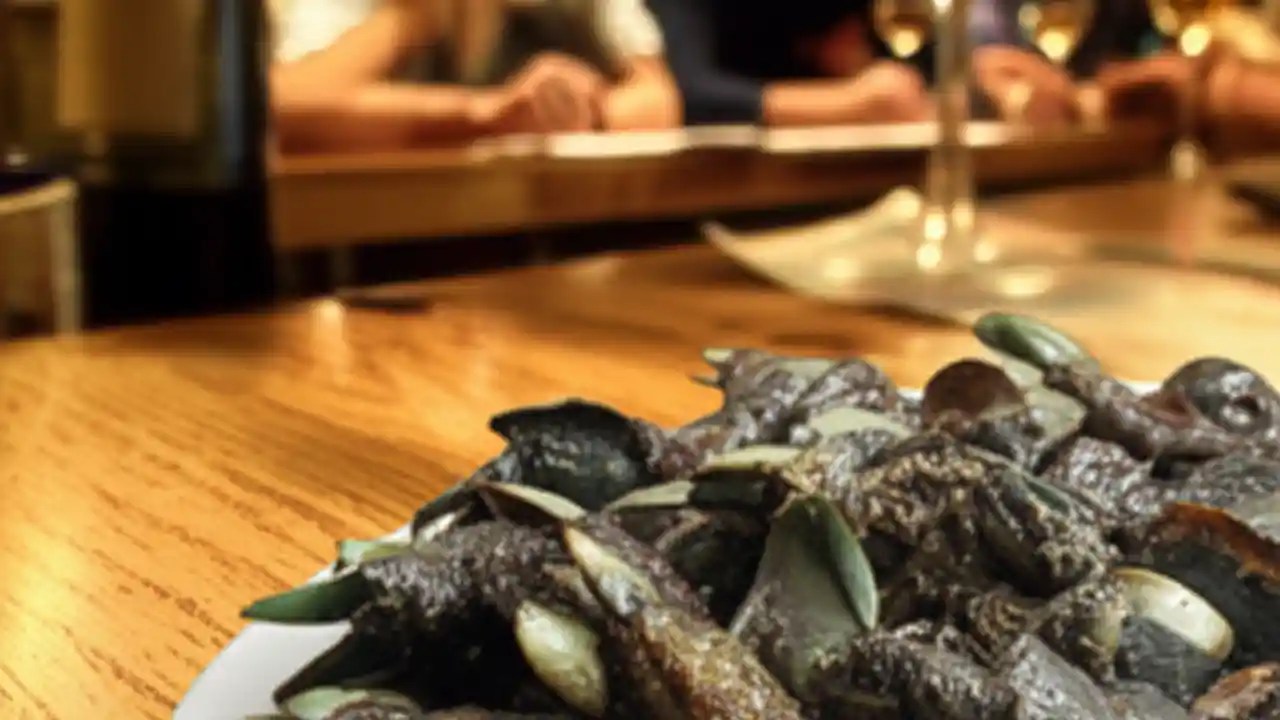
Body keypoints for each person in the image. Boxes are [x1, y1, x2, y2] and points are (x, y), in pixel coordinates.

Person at [269, 0, 680, 153]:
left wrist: (580, 111)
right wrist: (411, 19)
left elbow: (657, 98)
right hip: (380, 259)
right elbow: (286, 107)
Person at [644, 0, 933, 126]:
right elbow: (688, 92)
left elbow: (931, 72)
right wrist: (849, 102)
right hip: (724, 192)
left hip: (862, 181)